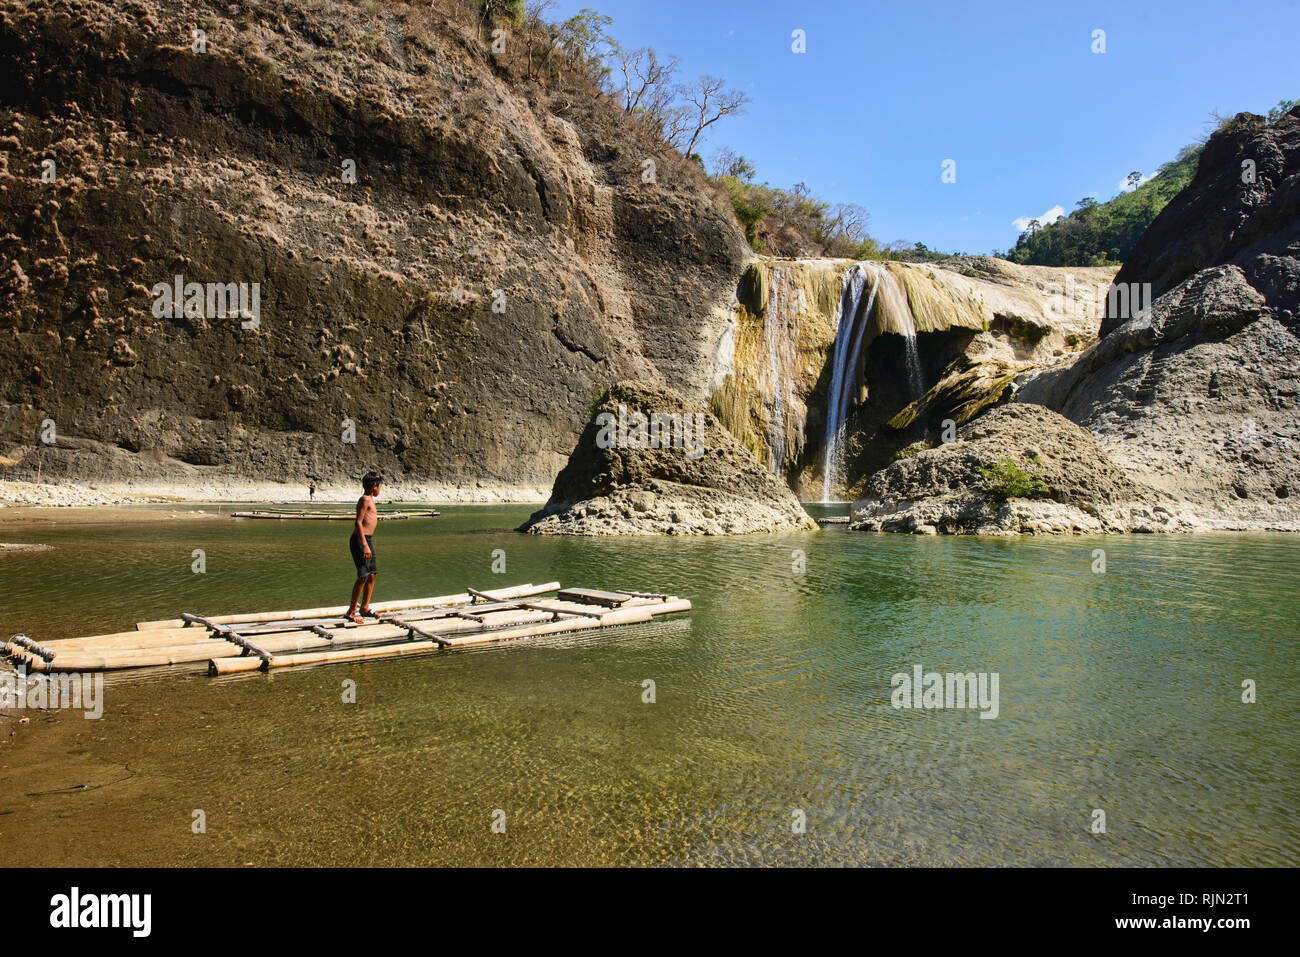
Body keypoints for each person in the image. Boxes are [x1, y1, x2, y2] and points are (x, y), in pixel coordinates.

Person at [345, 471, 383, 624]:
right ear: (374, 486)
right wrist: (365, 545)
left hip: (367, 540)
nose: (380, 489)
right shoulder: (365, 499)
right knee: (363, 575)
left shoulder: (371, 499)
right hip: (360, 541)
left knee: (372, 574)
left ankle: (365, 608)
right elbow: (358, 522)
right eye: (380, 486)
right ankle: (351, 611)